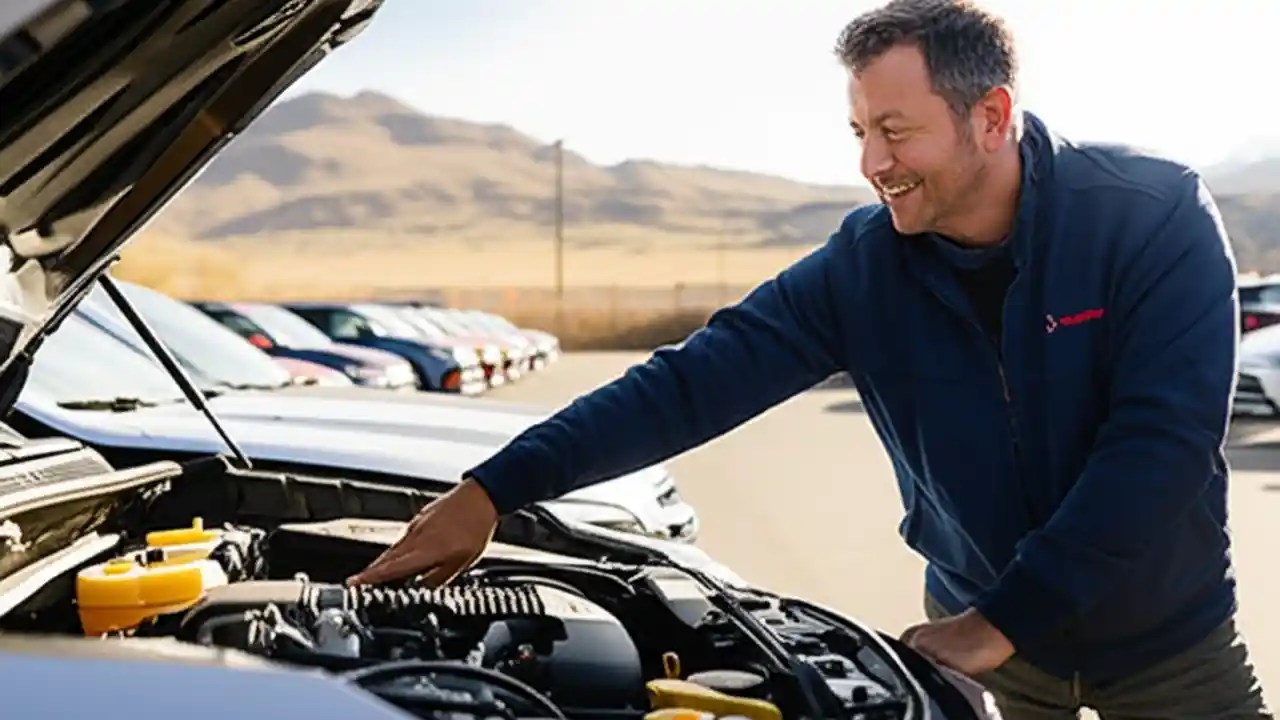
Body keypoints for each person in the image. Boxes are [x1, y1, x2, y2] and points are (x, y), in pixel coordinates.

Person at [348, 0, 1270, 717]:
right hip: (988, 647)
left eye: (896, 131)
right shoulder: (864, 267)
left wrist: (1000, 622)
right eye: (860, 132)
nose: (872, 162)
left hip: (1166, 646)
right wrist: (495, 489)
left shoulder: (1150, 218)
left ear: (991, 116)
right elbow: (690, 383)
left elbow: (1160, 448)